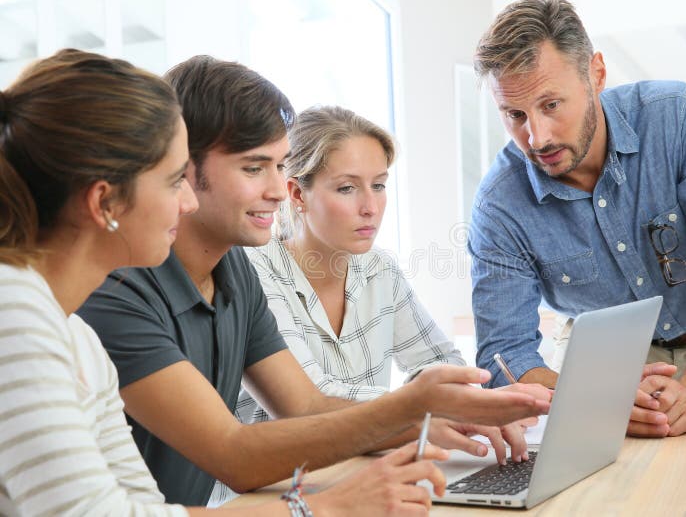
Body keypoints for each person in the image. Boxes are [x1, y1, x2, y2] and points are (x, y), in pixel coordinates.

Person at [77, 55, 552, 507]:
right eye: (253, 167)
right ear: (183, 167)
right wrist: (413, 409)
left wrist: (434, 413)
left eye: (279, 166)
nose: (274, 190)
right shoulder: (119, 289)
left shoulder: (234, 270)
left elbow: (303, 406)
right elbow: (235, 457)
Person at [0, 49, 451, 517]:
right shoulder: (19, 312)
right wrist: (321, 508)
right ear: (105, 203)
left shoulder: (74, 336)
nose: (187, 202)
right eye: (174, 181)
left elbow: (140, 506)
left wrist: (421, 419)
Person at [468, 0, 686, 438]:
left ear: (596, 74)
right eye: (515, 115)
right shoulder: (498, 205)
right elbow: (504, 356)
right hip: (595, 369)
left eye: (551, 105)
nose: (537, 136)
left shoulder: (679, 118)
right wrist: (594, 403)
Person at [239, 105, 465, 407]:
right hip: (288, 454)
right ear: (296, 194)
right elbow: (314, 397)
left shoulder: (379, 269)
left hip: (374, 452)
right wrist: (420, 401)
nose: (370, 207)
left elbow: (445, 362)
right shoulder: (255, 272)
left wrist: (445, 393)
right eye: (347, 188)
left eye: (379, 185)